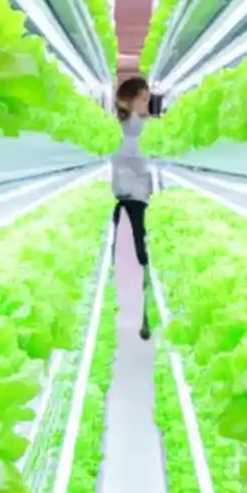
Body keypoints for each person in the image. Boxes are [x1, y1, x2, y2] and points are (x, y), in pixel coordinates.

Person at [111, 76, 154, 340]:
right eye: (143, 99)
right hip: (130, 200)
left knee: (139, 257)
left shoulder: (140, 128)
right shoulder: (128, 129)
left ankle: (143, 313)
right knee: (135, 258)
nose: (147, 105)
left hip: (133, 200)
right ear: (130, 99)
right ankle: (138, 313)